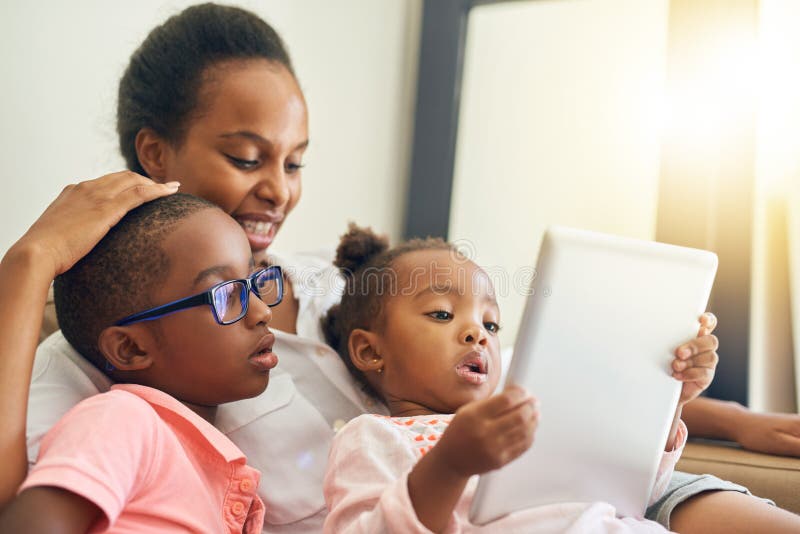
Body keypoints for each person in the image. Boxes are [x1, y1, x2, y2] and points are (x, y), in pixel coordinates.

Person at [0, 3, 797, 533]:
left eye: (296, 161)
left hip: (556, 486)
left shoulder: (331, 280)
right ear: (154, 152)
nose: (279, 189)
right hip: (448, 516)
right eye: (248, 158)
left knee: (693, 499)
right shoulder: (110, 356)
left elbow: (503, 362)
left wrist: (718, 409)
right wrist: (30, 263)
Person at [319, 225, 710, 532]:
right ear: (371, 352)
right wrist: (449, 464)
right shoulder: (371, 437)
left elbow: (632, 493)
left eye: (491, 323)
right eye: (441, 314)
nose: (479, 334)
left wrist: (672, 398)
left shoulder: (530, 418)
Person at [0, 179, 281, 532]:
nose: (262, 312)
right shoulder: (121, 422)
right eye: (225, 296)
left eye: (255, 281)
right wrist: (31, 259)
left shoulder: (213, 464)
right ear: (130, 348)